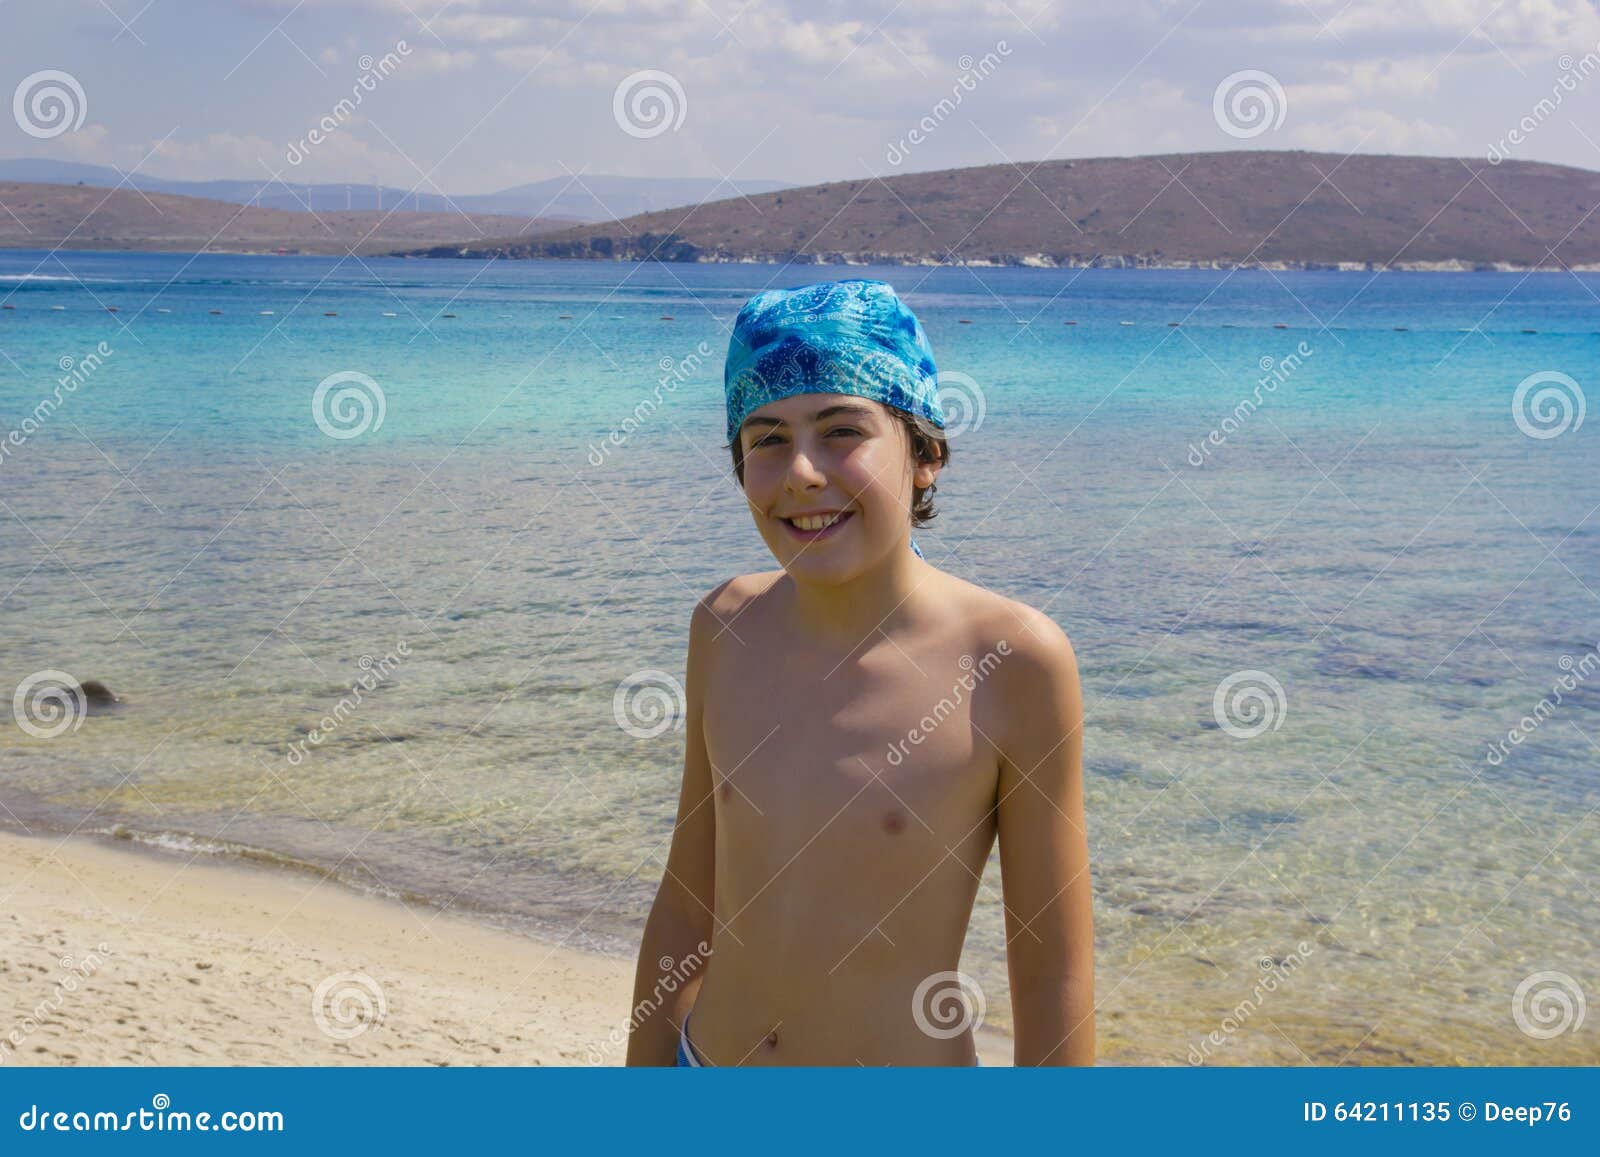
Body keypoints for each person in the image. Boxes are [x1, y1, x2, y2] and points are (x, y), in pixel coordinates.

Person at [625, 279, 1093, 1067]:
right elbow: (687, 899)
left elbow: (1051, 972)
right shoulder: (723, 627)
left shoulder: (1012, 659)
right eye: (766, 437)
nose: (803, 471)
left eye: (842, 430)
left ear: (925, 455)